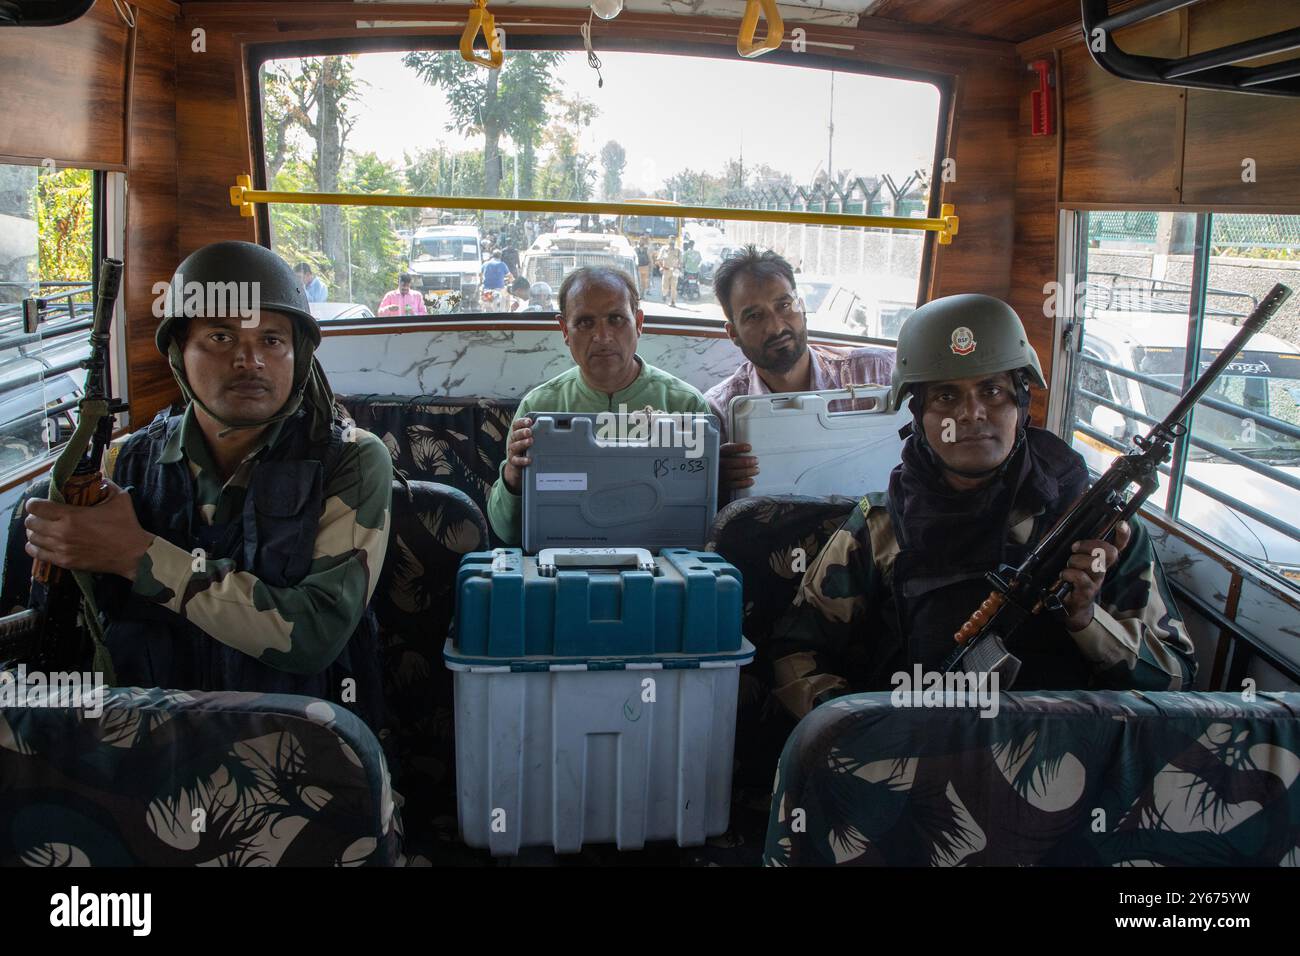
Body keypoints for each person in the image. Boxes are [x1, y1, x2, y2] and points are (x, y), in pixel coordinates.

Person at [767, 293, 1196, 721]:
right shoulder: (880, 527)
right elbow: (795, 655)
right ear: (918, 414)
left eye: (991, 391)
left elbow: (1175, 678)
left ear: (1021, 401)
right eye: (946, 397)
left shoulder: (1096, 530)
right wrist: (867, 734)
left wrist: (1086, 619)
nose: (971, 414)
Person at [24, 241, 393, 732]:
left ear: (297, 354)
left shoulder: (351, 459)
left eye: (272, 341)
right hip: (144, 750)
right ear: (180, 351)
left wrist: (136, 556)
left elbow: (313, 635)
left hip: (303, 760)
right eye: (221, 337)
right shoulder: (122, 463)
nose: (250, 360)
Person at [486, 266, 709, 545]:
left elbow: (704, 525)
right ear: (564, 330)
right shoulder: (539, 407)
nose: (602, 337)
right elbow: (506, 532)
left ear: (638, 323)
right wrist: (513, 477)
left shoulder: (686, 405)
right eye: (585, 323)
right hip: (563, 569)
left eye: (616, 319)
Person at [705, 246, 895, 491]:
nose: (775, 327)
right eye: (754, 316)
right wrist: (716, 480)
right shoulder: (719, 412)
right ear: (733, 334)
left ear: (802, 308)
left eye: (784, 306)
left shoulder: (877, 372)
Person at [657, 239, 682, 307]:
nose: (672, 243)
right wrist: (661, 267)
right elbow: (659, 259)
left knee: (674, 287)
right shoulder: (664, 249)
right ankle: (664, 294)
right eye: (671, 242)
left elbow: (680, 261)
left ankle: (673, 301)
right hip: (666, 270)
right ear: (669, 242)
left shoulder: (678, 250)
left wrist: (678, 268)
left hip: (674, 271)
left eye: (673, 242)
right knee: (665, 286)